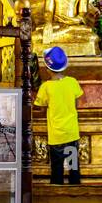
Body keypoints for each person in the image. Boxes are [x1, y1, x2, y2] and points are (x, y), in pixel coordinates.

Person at [34, 46, 84, 185]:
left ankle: (56, 193)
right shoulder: (72, 82)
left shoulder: (46, 87)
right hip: (72, 133)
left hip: (56, 135)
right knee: (74, 167)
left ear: (47, 69)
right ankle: (75, 191)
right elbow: (77, 102)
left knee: (56, 169)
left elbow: (40, 106)